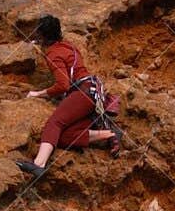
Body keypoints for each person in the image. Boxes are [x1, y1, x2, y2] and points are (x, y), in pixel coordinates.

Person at [15, 15, 122, 179]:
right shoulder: (69, 46)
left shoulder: (53, 54)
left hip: (83, 92)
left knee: (55, 123)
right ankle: (109, 134)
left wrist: (38, 94)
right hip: (93, 92)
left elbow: (63, 85)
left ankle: (39, 164)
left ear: (42, 36)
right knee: (64, 137)